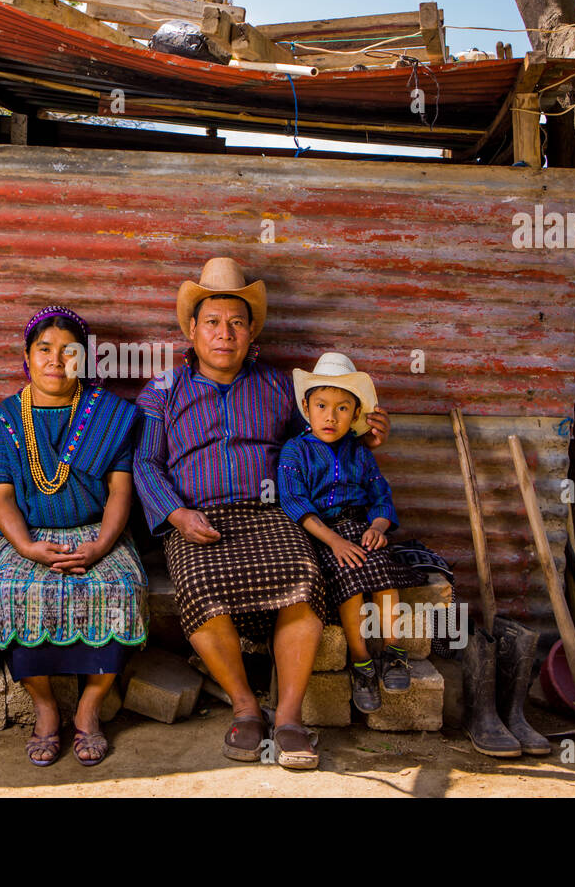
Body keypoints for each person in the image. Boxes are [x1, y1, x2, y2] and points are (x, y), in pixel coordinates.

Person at [134, 258, 392, 770]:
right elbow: (145, 461)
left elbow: (326, 431)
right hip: (197, 517)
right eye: (212, 322)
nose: (223, 333)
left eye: (236, 322)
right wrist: (177, 515)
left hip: (275, 514)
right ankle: (246, 707)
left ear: (252, 331)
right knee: (199, 586)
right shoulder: (162, 390)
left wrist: (365, 432)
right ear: (191, 329)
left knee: (305, 576)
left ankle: (290, 718)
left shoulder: (280, 388)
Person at [0, 306, 147, 767]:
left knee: (119, 587)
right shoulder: (4, 421)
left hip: (98, 532)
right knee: (15, 588)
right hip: (27, 536)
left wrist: (101, 546)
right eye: (44, 350)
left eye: (69, 352)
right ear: (27, 358)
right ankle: (47, 709)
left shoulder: (108, 416)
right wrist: (27, 547)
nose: (56, 360)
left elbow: (119, 492)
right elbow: (3, 499)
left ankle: (90, 711)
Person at [279, 353, 427, 715]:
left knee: (381, 573)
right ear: (305, 407)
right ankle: (361, 662)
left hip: (360, 528)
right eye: (322, 406)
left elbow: (380, 495)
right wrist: (334, 541)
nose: (331, 417)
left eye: (343, 408)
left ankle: (394, 653)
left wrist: (378, 527)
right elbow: (294, 502)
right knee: (350, 582)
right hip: (324, 535)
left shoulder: (359, 454)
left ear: (356, 414)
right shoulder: (295, 451)